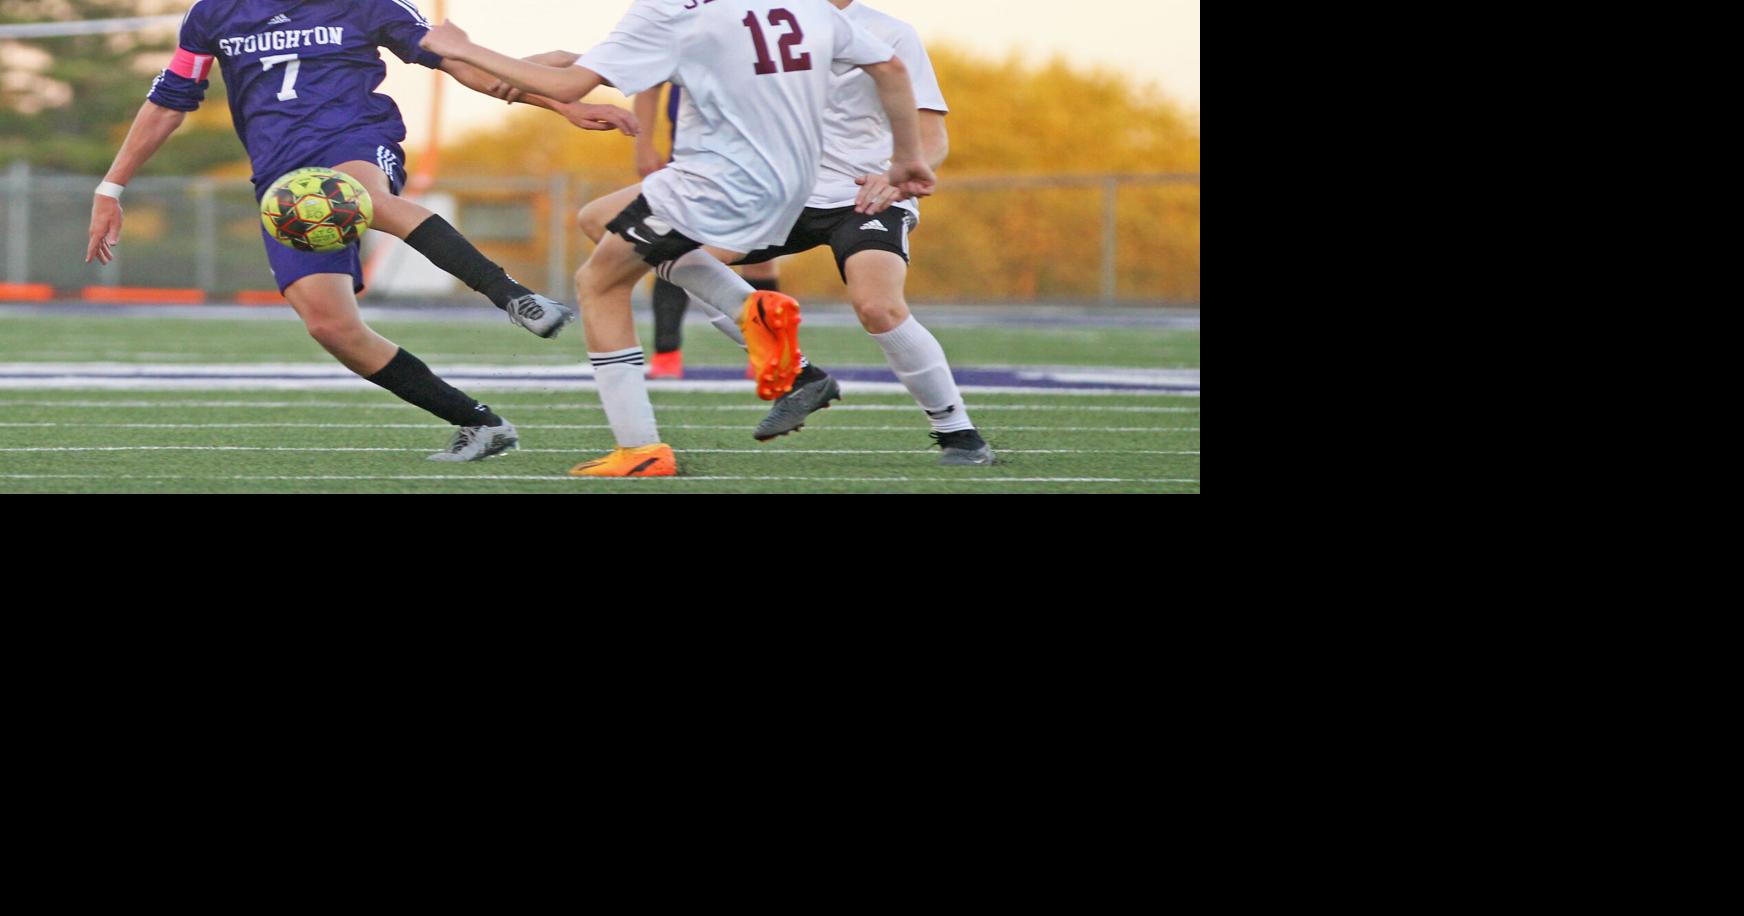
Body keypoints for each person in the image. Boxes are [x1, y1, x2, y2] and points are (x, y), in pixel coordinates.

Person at [85, 0, 637, 461]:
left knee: (363, 198)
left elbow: (461, 65)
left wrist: (559, 103)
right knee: (332, 326)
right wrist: (111, 188)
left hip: (354, 140)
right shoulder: (212, 13)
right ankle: (480, 423)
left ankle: (513, 296)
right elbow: (169, 103)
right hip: (282, 185)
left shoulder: (367, 2)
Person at [422, 0, 937, 477]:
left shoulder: (668, 8)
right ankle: (758, 323)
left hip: (716, 178)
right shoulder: (790, 6)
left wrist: (465, 48)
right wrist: (908, 159)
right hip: (793, 179)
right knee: (599, 219)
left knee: (599, 284)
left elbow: (568, 84)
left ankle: (643, 447)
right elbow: (889, 68)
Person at [633, 83, 782, 380]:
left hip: (754, 165)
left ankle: (770, 354)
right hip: (689, 165)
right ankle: (666, 354)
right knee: (669, 250)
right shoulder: (686, 54)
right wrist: (644, 144)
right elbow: (648, 82)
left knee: (759, 259)